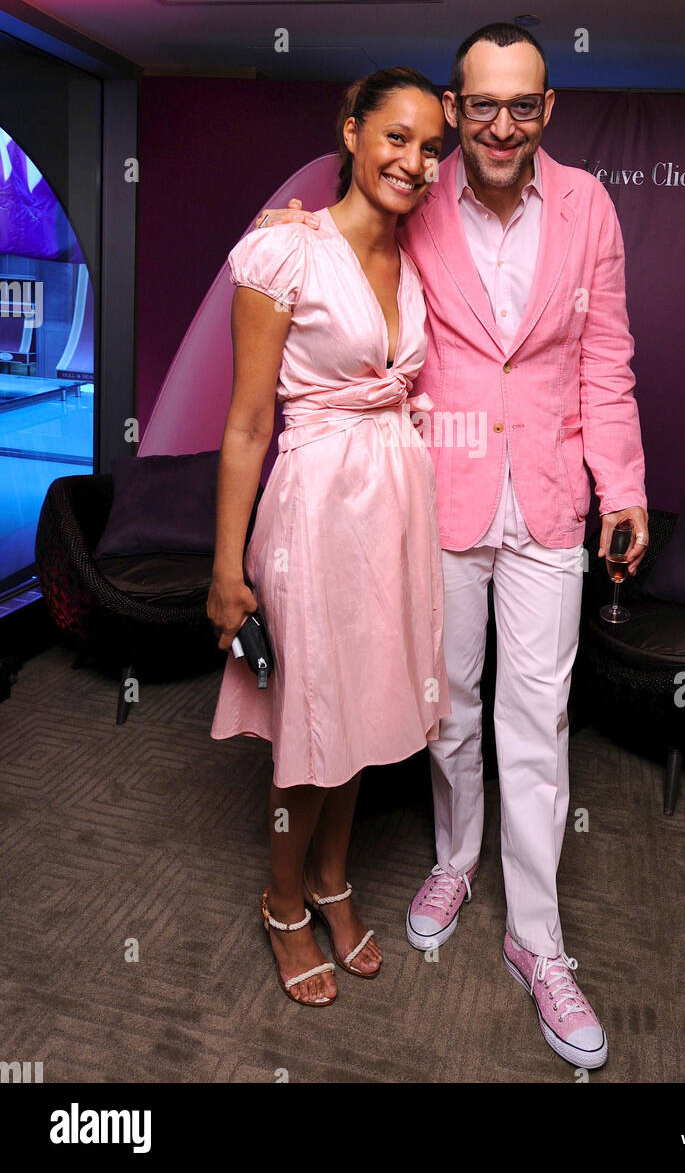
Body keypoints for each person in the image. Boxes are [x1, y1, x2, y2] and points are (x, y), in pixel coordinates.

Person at [254, 24, 649, 1066]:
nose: (500, 125)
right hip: (438, 490)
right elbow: (344, 235)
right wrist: (289, 230)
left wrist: (625, 486)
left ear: (547, 108)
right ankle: (453, 856)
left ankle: (538, 942)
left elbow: (605, 354)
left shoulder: (588, 207)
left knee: (538, 713)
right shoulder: (419, 191)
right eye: (481, 105)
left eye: (522, 104)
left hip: (554, 502)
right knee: (449, 703)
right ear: (455, 104)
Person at [208, 67, 448, 1007]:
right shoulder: (284, 255)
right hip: (314, 510)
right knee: (313, 724)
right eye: (396, 137)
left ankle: (331, 881)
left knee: (367, 713)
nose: (415, 162)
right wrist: (227, 571)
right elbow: (244, 426)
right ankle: (282, 900)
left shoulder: (416, 256)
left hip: (393, 510)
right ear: (351, 132)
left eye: (432, 147)